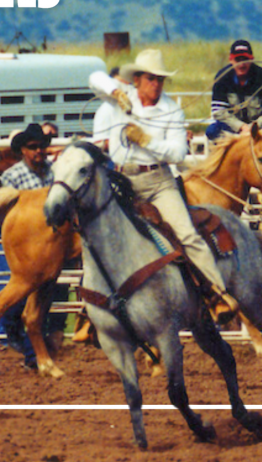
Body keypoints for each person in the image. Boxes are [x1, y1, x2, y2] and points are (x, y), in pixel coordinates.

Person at [88, 48, 239, 323]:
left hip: (158, 182)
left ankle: (217, 293)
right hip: (122, 180)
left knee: (187, 234)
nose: (156, 84)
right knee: (98, 233)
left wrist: (147, 141)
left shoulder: (171, 109)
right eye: (151, 79)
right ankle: (92, 309)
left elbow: (178, 153)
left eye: (160, 79)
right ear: (137, 80)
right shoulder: (120, 100)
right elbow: (95, 77)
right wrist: (115, 92)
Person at [0, 124, 66, 368]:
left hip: (50, 246)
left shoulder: (55, 173)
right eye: (33, 147)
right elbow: (3, 213)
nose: (39, 152)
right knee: (18, 299)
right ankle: (28, 348)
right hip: (23, 245)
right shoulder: (11, 177)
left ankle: (34, 355)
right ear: (23, 150)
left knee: (39, 301)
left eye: (41, 147)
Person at [206, 39, 262, 141]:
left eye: (245, 60)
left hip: (259, 129)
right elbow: (218, 112)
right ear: (231, 60)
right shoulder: (222, 77)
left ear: (252, 60)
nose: (242, 64)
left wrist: (253, 127)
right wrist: (241, 127)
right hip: (233, 129)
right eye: (238, 59)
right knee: (212, 130)